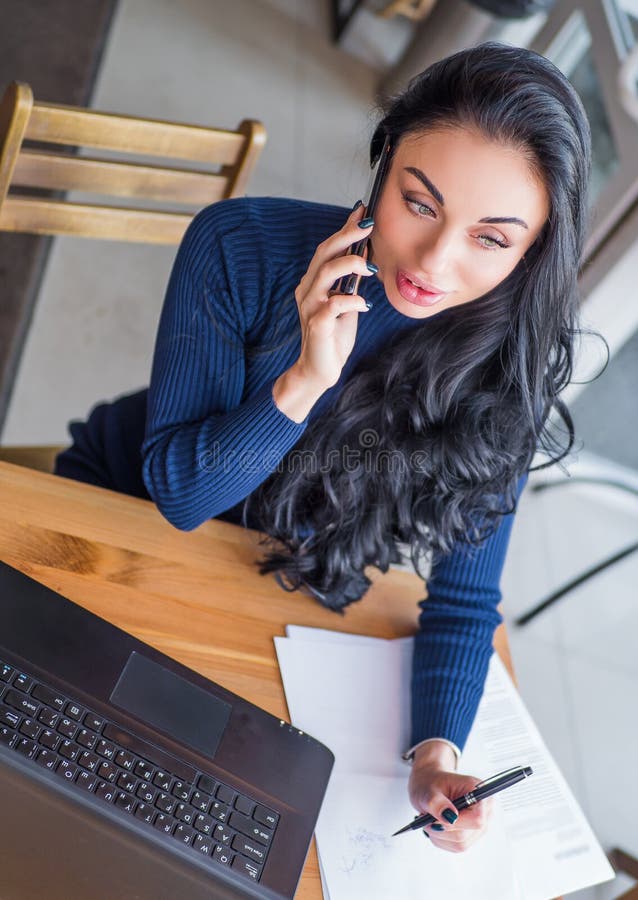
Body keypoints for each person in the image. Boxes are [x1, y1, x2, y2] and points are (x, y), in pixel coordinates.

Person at [55, 42, 592, 853]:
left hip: (277, 572)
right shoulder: (239, 245)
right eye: (420, 204)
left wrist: (435, 753)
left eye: (491, 239)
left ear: (534, 250)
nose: (434, 264)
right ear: (385, 163)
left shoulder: (506, 368)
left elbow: (461, 600)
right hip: (128, 507)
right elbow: (182, 498)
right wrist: (304, 378)